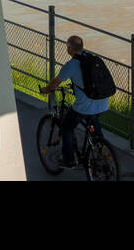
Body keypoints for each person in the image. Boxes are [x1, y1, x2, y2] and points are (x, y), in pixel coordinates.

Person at [39, 35, 112, 172]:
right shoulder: (94, 59)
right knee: (93, 119)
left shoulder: (71, 65)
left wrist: (46, 90)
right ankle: (102, 148)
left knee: (67, 127)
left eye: (67, 47)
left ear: (70, 48)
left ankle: (69, 161)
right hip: (103, 102)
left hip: (85, 107)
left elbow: (55, 83)